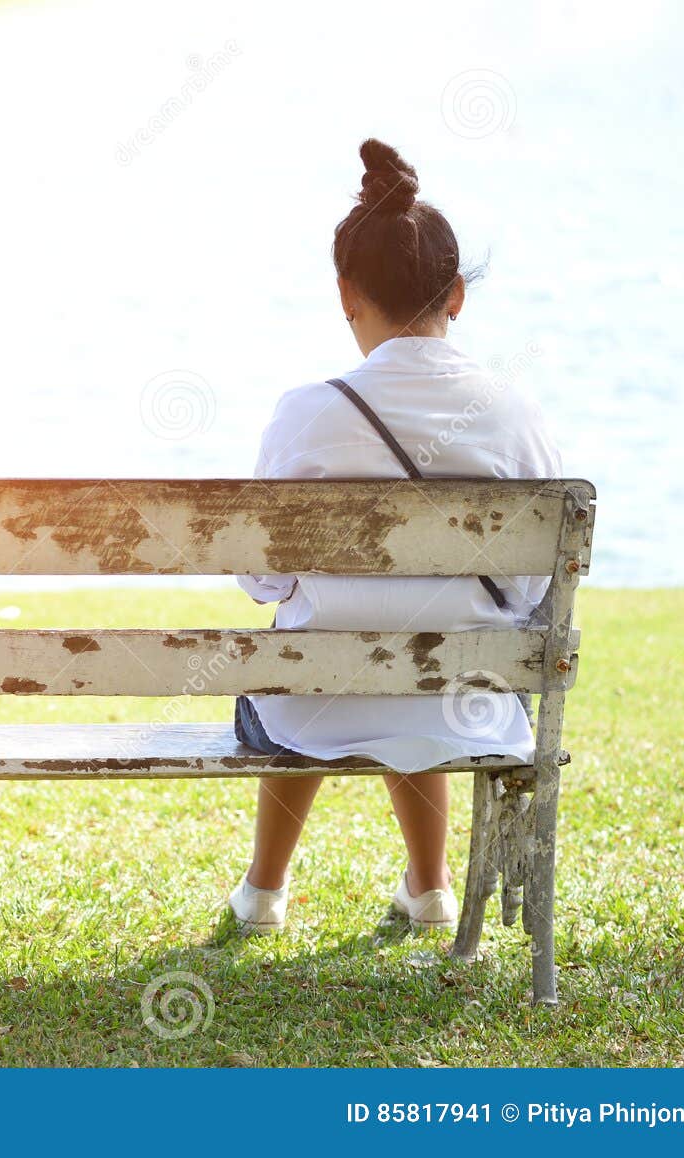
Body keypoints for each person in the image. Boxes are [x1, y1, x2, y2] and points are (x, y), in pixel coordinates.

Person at [227, 139, 562, 935]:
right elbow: (529, 590)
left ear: (347, 295)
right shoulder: (512, 413)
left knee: (306, 655)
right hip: (466, 704)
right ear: (456, 297)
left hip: (315, 704)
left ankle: (264, 893)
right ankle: (431, 887)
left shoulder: (304, 413)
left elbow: (261, 581)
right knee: (424, 661)